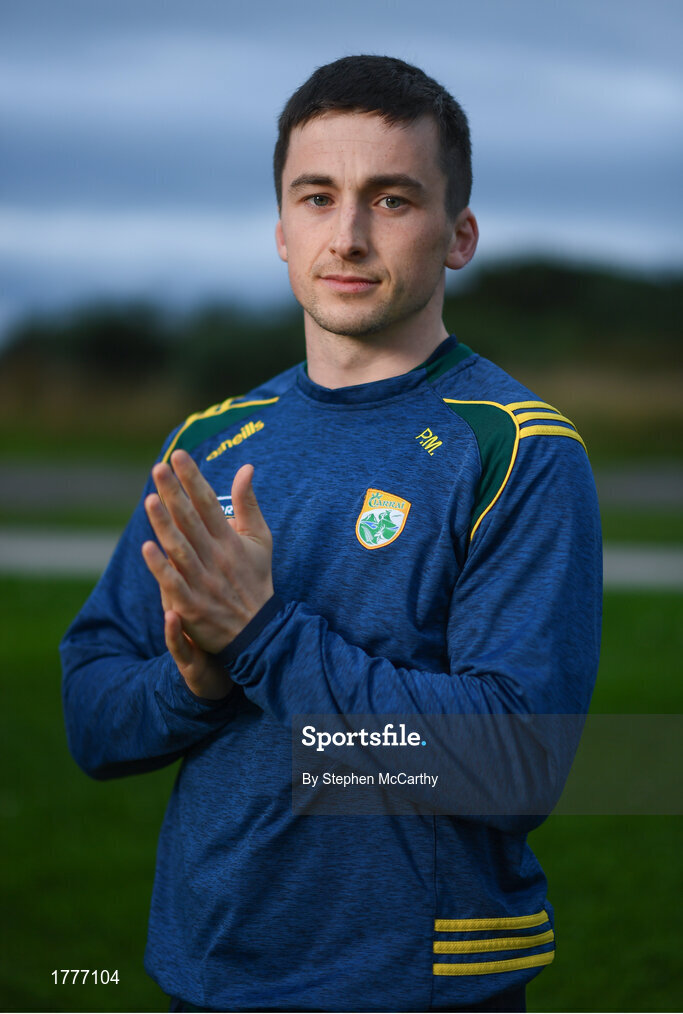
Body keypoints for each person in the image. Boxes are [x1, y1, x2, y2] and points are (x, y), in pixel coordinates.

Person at [61, 55, 602, 1013]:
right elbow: (94, 716)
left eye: (391, 200)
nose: (346, 236)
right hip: (208, 970)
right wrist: (193, 683)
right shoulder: (210, 439)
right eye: (318, 197)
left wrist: (264, 640)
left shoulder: (517, 449)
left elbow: (518, 765)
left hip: (414, 987)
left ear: (458, 234)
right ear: (280, 230)